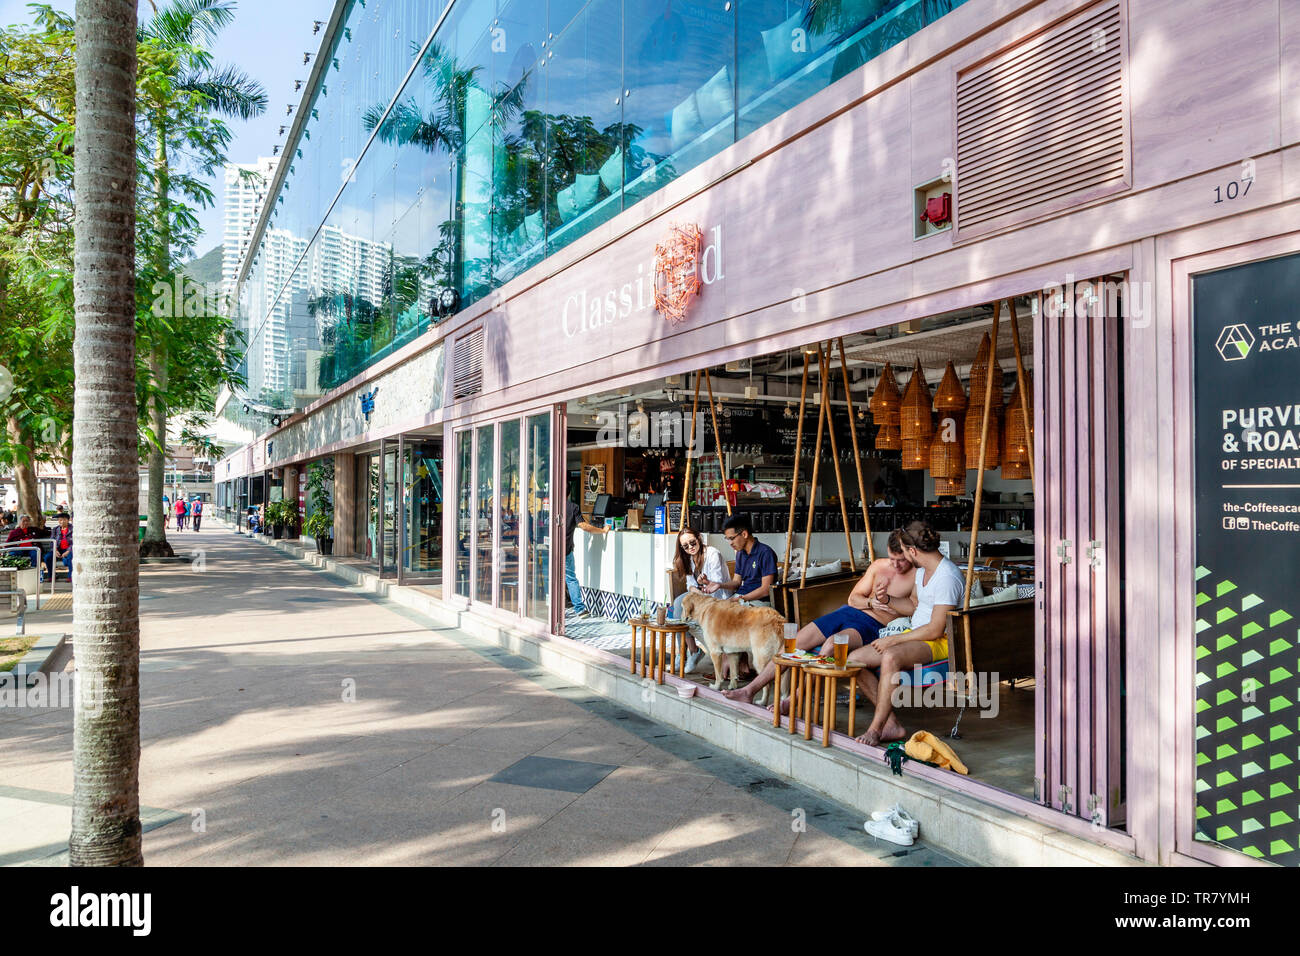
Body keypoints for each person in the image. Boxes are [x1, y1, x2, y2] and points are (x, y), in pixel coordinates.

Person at [724, 530, 917, 707]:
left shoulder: (916, 575)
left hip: (874, 625)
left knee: (832, 645)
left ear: (910, 553)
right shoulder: (878, 566)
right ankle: (749, 690)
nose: (896, 565)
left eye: (901, 560)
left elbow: (914, 609)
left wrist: (889, 601)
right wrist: (871, 603)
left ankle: (794, 699)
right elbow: (853, 598)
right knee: (795, 642)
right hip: (848, 612)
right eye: (893, 559)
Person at [851, 520, 966, 747]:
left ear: (913, 551)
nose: (903, 557)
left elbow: (935, 629)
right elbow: (915, 607)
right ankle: (891, 724)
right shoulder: (923, 570)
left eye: (903, 551)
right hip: (916, 634)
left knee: (891, 655)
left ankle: (875, 729)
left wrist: (894, 639)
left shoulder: (947, 577)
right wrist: (887, 600)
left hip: (940, 641)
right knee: (854, 660)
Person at [669, 527, 728, 673]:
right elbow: (690, 585)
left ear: (699, 538)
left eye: (692, 542)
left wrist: (706, 583)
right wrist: (697, 591)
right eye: (685, 546)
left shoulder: (712, 554)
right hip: (702, 597)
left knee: (681, 608)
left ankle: (691, 652)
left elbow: (717, 583)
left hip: (718, 598)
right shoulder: (688, 559)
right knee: (678, 604)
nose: (690, 547)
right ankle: (690, 650)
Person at [715, 513, 777, 606]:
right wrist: (719, 585)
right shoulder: (740, 553)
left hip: (760, 601)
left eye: (732, 538)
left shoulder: (765, 552)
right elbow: (736, 582)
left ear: (744, 534)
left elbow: (766, 590)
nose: (730, 543)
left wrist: (741, 599)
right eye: (727, 539)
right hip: (742, 597)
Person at [565, 494, 607, 619]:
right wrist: (602, 531)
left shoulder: (552, 505)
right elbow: (583, 526)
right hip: (565, 550)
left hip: (551, 549)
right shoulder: (572, 507)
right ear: (569, 493)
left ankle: (551, 606)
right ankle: (579, 609)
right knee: (571, 579)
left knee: (553, 578)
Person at [4, 514, 43, 578]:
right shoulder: (14, 532)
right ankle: (16, 573)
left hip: (32, 549)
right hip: (19, 549)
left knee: (35, 553)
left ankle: (34, 572)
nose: (26, 523)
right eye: (23, 521)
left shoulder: (34, 530)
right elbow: (7, 543)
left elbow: (46, 532)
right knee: (12, 554)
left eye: (27, 521)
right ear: (19, 522)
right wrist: (6, 550)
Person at [52, 512, 72, 581]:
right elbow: (52, 541)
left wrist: (68, 551)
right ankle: (51, 576)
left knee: (70, 558)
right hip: (58, 550)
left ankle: (70, 577)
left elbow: (74, 542)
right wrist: (55, 550)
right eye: (60, 520)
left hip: (69, 550)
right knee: (47, 557)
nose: (62, 521)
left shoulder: (72, 529)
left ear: (68, 520)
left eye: (64, 520)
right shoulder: (55, 529)